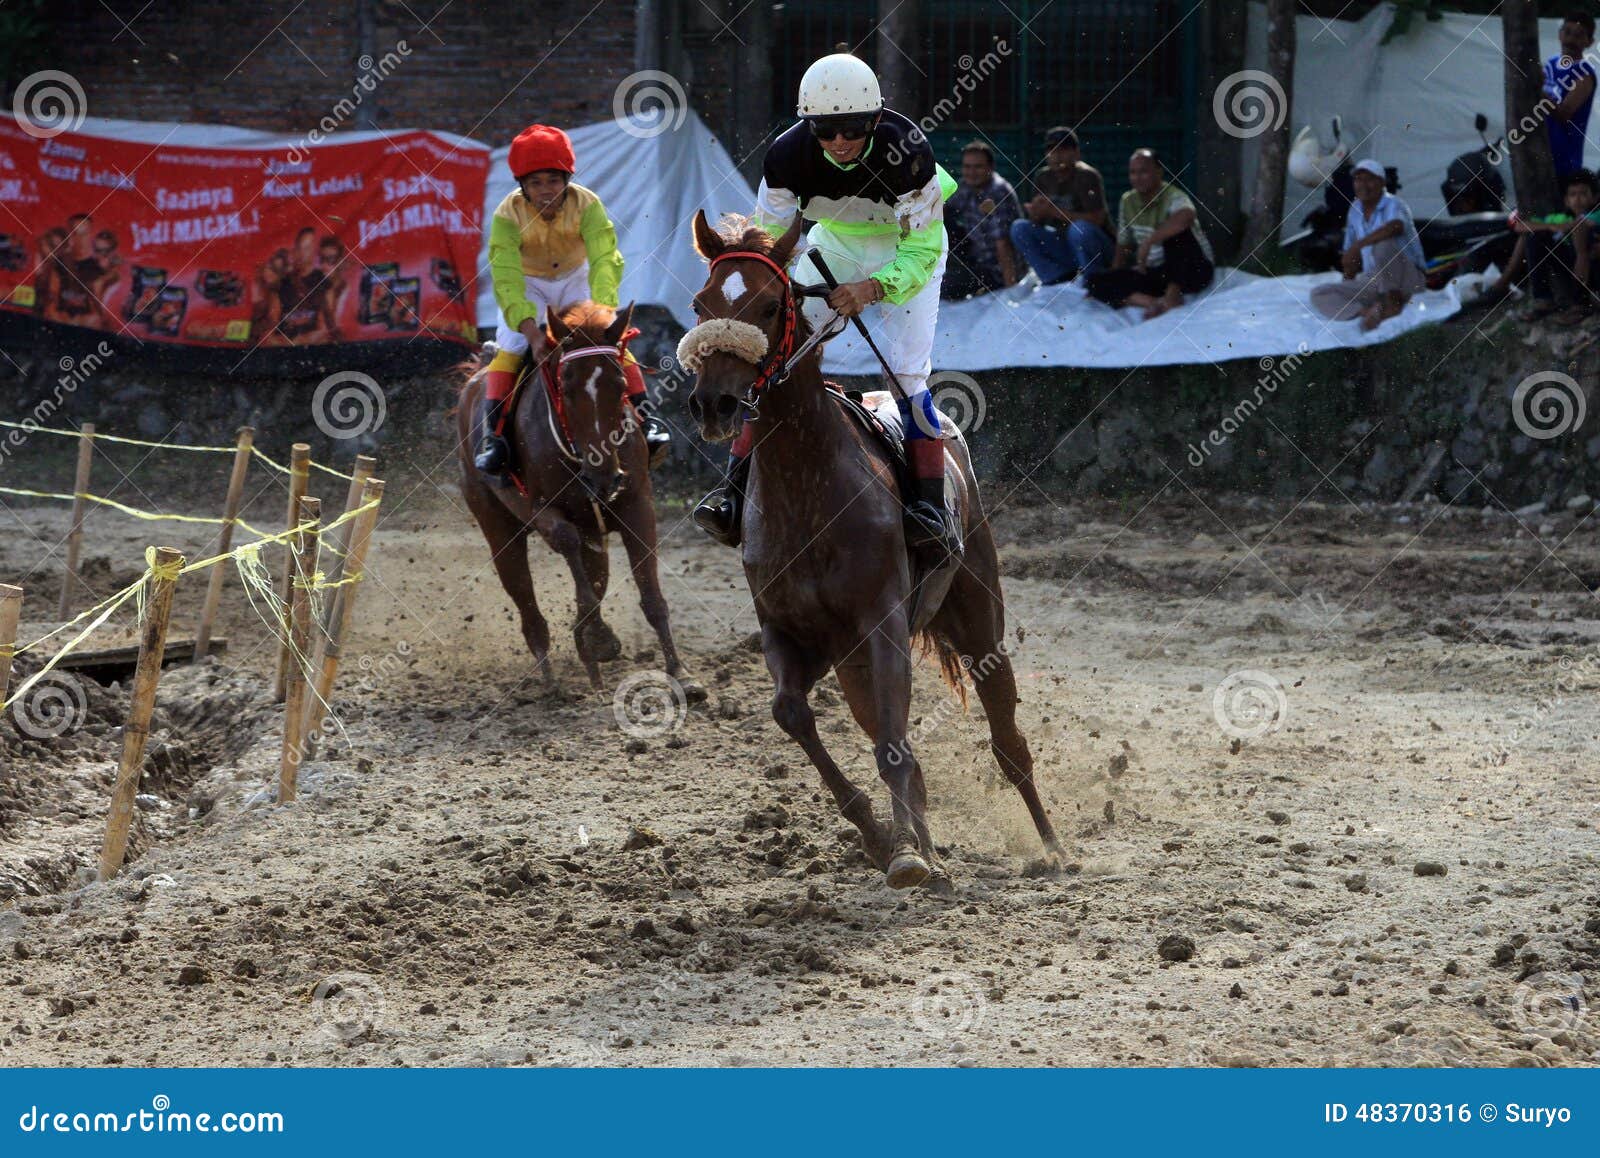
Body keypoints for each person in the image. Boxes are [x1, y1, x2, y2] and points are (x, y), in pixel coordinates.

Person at [691, 51, 962, 562]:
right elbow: (769, 243)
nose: (839, 141)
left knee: (906, 373)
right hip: (836, 242)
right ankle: (732, 494)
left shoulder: (909, 149)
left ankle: (930, 508)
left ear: (875, 120)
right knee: (776, 353)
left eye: (853, 128)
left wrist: (873, 289)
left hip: (908, 247)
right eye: (824, 130)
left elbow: (922, 248)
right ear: (808, 127)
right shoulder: (785, 156)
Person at [474, 123, 669, 478]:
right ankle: (495, 439)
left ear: (567, 179)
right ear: (522, 186)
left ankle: (647, 419)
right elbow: (506, 276)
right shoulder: (506, 214)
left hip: (576, 280)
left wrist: (603, 312)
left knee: (610, 342)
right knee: (512, 345)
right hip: (528, 284)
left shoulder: (588, 204)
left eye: (553, 180)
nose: (545, 191)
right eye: (535, 183)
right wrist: (532, 333)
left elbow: (605, 259)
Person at [1086, 149, 1215, 318]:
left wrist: (1149, 241)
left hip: (1193, 270)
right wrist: (1114, 276)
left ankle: (1172, 296)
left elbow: (1186, 216)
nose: (1137, 177)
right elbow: (1123, 244)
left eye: (1143, 171)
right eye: (1133, 172)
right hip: (1156, 272)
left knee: (1177, 236)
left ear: (1159, 172)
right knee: (1094, 281)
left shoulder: (1173, 196)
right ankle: (1152, 303)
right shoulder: (1128, 200)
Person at [1309, 158, 1426, 331]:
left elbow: (1396, 226)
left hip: (1407, 277)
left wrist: (1359, 245)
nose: (1363, 185)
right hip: (1375, 278)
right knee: (1319, 293)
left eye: (1370, 179)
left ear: (1382, 183)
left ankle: (1392, 304)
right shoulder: (1355, 210)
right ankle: (1368, 312)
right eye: (1358, 179)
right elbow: (1350, 256)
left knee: (1383, 245)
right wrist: (1347, 285)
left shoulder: (1394, 203)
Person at [1009, 126, 1114, 284]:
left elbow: (1097, 220)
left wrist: (1054, 211)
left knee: (1079, 229)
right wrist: (1036, 213)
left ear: (1076, 152)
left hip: (1096, 248)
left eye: (1063, 150)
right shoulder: (1043, 177)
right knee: (1019, 228)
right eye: (1052, 150)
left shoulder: (1087, 175)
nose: (1057, 155)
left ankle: (1093, 281)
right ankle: (1054, 278)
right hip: (1065, 247)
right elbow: (1039, 223)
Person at [940, 141, 1021, 299]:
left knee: (945, 287)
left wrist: (1011, 291)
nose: (971, 172)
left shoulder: (998, 192)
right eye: (967, 167)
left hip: (996, 269)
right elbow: (942, 211)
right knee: (939, 222)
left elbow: (1003, 243)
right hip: (975, 256)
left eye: (978, 167)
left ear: (991, 168)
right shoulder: (966, 186)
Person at [1545, 14, 1597, 192]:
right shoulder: (1550, 64)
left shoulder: (1584, 73)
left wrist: (1537, 91)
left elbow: (1564, 113)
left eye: (1579, 35)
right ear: (1560, 34)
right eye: (1567, 32)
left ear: (1589, 42)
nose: (1571, 39)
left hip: (1564, 163)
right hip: (1539, 156)